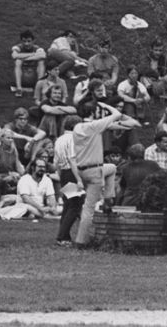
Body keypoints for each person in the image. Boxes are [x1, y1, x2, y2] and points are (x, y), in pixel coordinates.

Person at [72, 102, 122, 246]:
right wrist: (107, 105)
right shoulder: (95, 126)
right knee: (88, 209)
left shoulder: (77, 127)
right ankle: (80, 242)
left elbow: (111, 125)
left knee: (112, 167)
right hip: (94, 171)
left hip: (81, 170)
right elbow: (116, 114)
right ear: (94, 113)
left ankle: (108, 199)